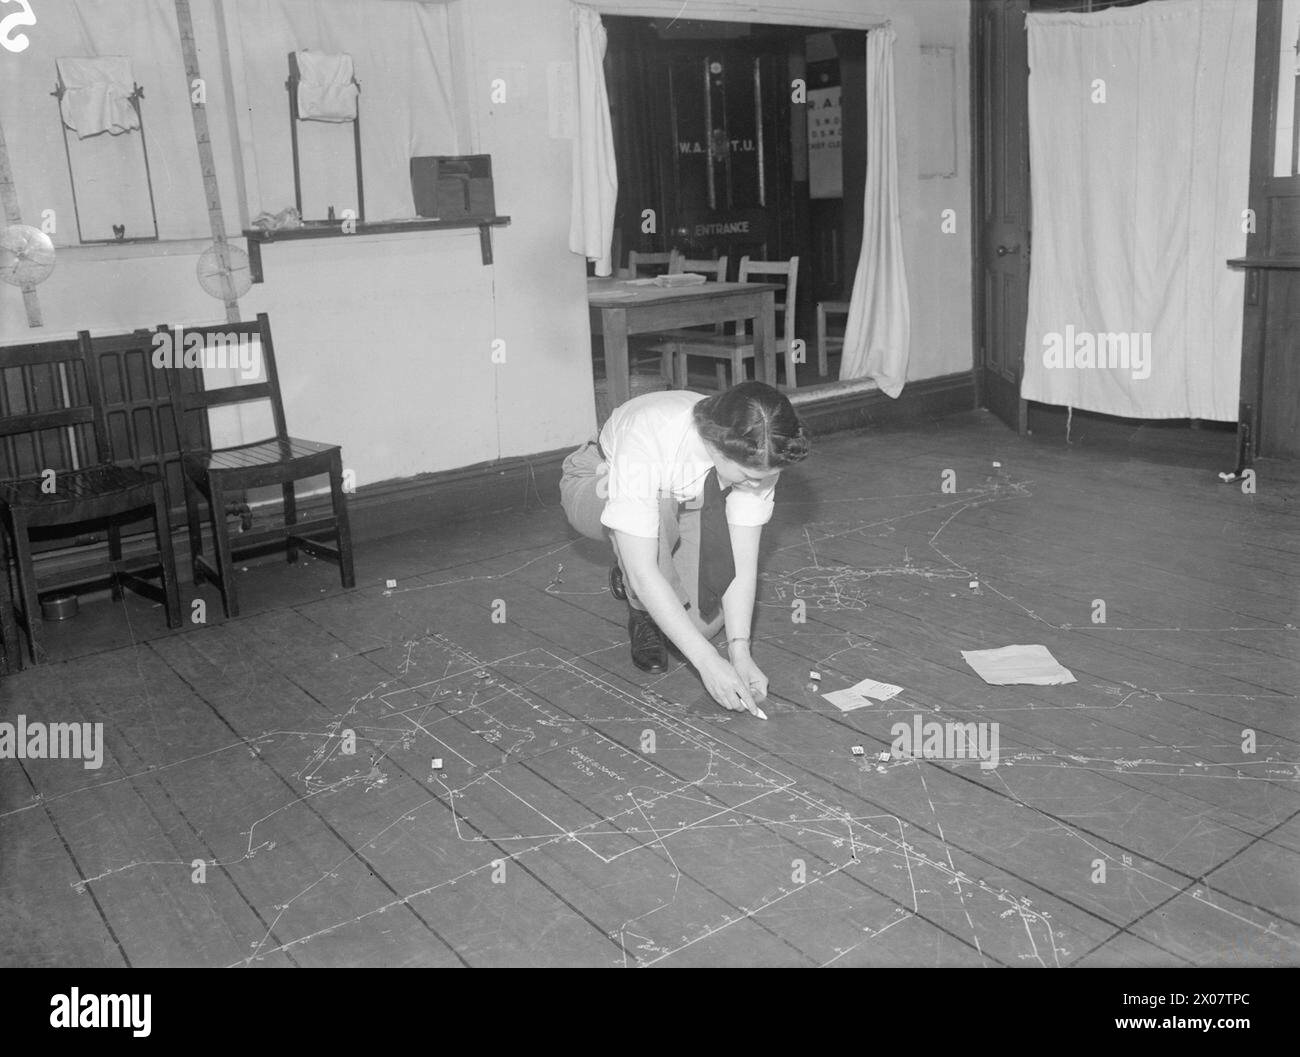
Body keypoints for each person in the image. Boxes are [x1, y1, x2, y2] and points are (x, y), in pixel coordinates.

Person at [560, 381, 810, 715]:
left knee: (701, 627)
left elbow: (742, 564)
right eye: (749, 477)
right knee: (655, 530)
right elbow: (645, 571)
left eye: (764, 477)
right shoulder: (650, 436)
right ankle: (637, 599)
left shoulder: (759, 455)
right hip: (596, 479)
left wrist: (740, 653)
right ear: (718, 446)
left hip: (686, 498)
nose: (757, 484)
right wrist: (708, 664)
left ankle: (637, 553)